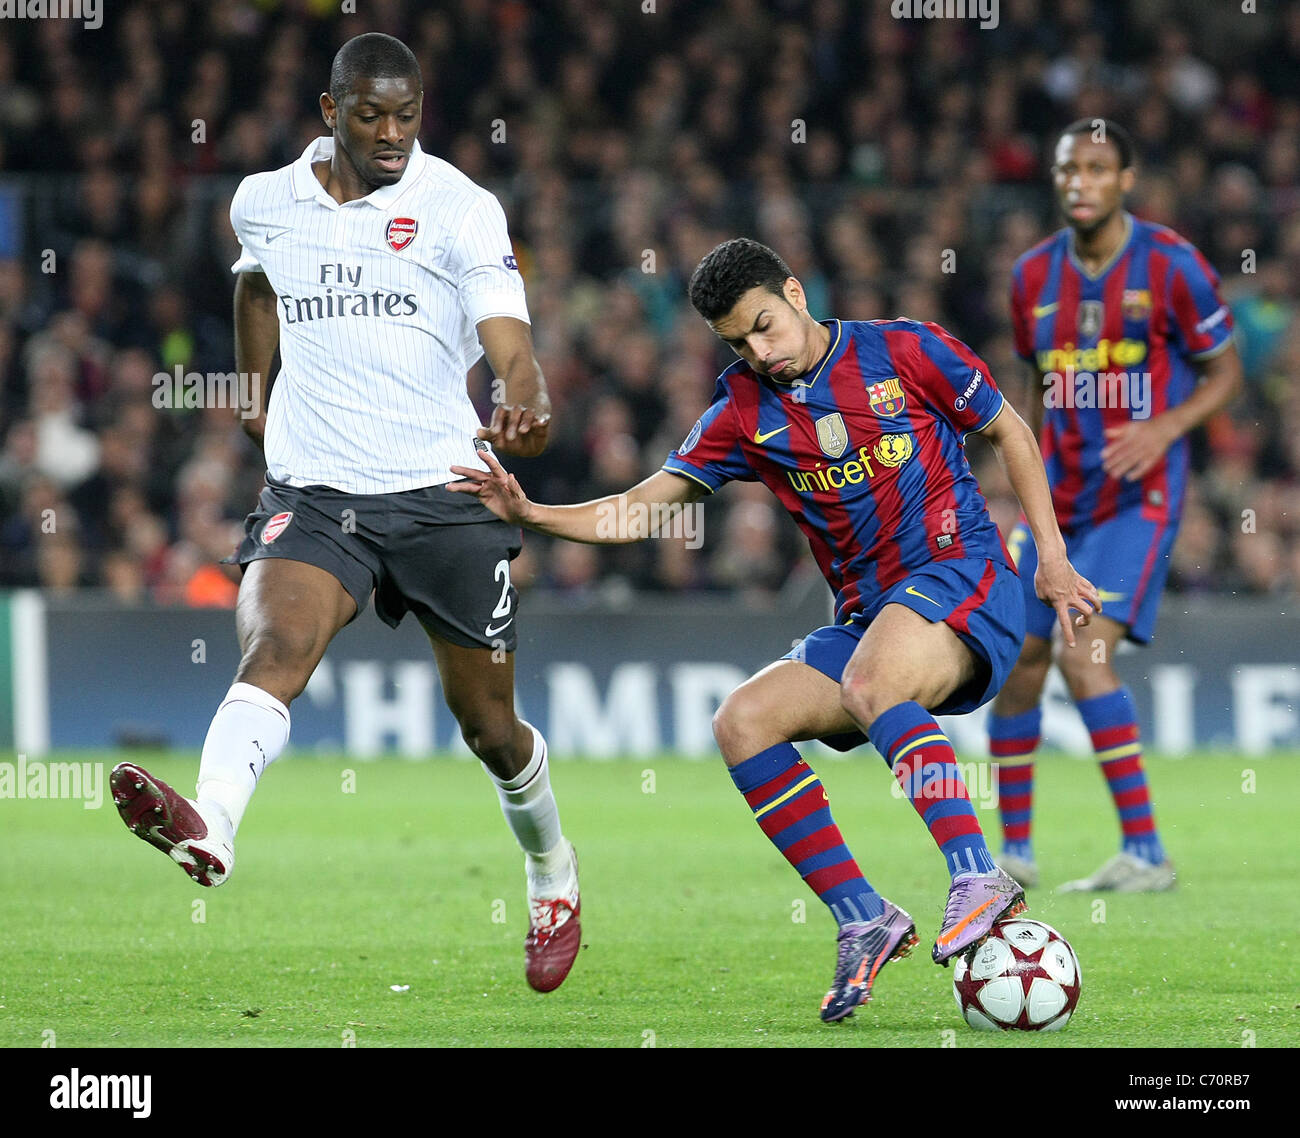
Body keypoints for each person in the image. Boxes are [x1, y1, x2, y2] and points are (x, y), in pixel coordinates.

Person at [449, 237, 1099, 1022]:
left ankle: (977, 872)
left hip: (968, 579)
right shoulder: (743, 415)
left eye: (765, 326)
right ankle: (862, 915)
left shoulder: (907, 350)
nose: (761, 351)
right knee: (743, 723)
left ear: (796, 292)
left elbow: (1010, 433)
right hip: (871, 619)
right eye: (737, 342)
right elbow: (644, 506)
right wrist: (532, 514)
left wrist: (1053, 561)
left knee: (873, 680)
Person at [110, 33, 582, 994]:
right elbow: (253, 281)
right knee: (272, 653)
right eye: (372, 116)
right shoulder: (265, 200)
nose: (394, 135)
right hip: (318, 488)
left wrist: (524, 399)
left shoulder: (458, 207)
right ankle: (212, 827)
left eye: (408, 116)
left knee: (491, 728)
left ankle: (552, 872)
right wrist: (254, 392)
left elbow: (511, 344)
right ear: (331, 113)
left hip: (443, 493)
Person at [989, 120, 1242, 893]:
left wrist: (1164, 427)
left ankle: (1147, 854)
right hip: (1057, 504)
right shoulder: (1031, 276)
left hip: (1141, 497)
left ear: (1126, 180)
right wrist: (1019, 493)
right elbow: (1031, 393)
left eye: (1099, 169)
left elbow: (1224, 373)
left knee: (1081, 649)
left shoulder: (1171, 265)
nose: (1081, 182)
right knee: (1020, 664)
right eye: (1070, 169)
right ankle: (1015, 857)